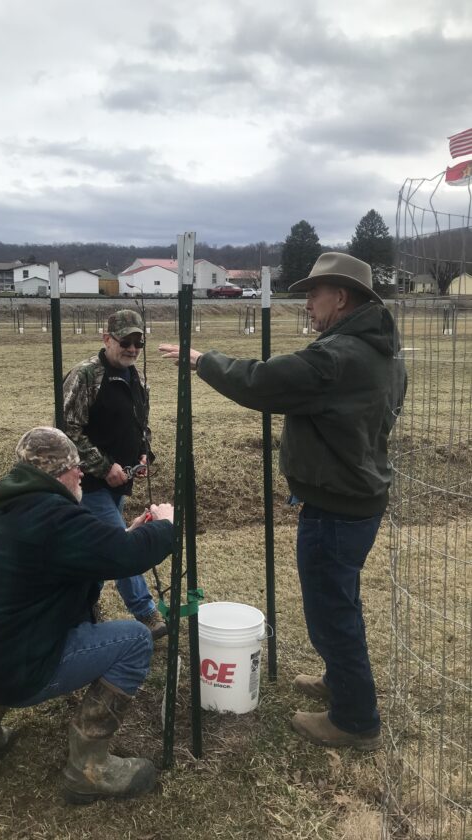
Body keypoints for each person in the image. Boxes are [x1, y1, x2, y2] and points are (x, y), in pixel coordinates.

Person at [160, 253, 406, 751]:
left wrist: (203, 360)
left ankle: (356, 722)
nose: (308, 303)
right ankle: (340, 683)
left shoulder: (336, 356)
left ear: (341, 297)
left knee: (331, 612)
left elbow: (264, 381)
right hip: (357, 500)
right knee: (342, 603)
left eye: (314, 294)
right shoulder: (380, 352)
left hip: (337, 507)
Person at [0, 426, 174, 803]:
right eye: (75, 466)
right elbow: (125, 556)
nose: (82, 473)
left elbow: (85, 557)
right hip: (16, 668)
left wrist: (127, 533)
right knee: (135, 640)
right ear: (57, 474)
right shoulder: (54, 516)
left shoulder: (19, 509)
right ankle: (90, 771)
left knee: (20, 632)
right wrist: (166, 525)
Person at [63, 309, 167, 640]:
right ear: (107, 339)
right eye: (126, 341)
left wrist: (144, 453)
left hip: (121, 485)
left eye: (139, 342)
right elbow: (66, 431)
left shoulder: (139, 381)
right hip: (88, 484)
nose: (133, 349)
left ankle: (84, 605)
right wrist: (104, 466)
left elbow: (142, 427)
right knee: (120, 546)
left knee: (98, 547)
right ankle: (147, 613)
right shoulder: (85, 376)